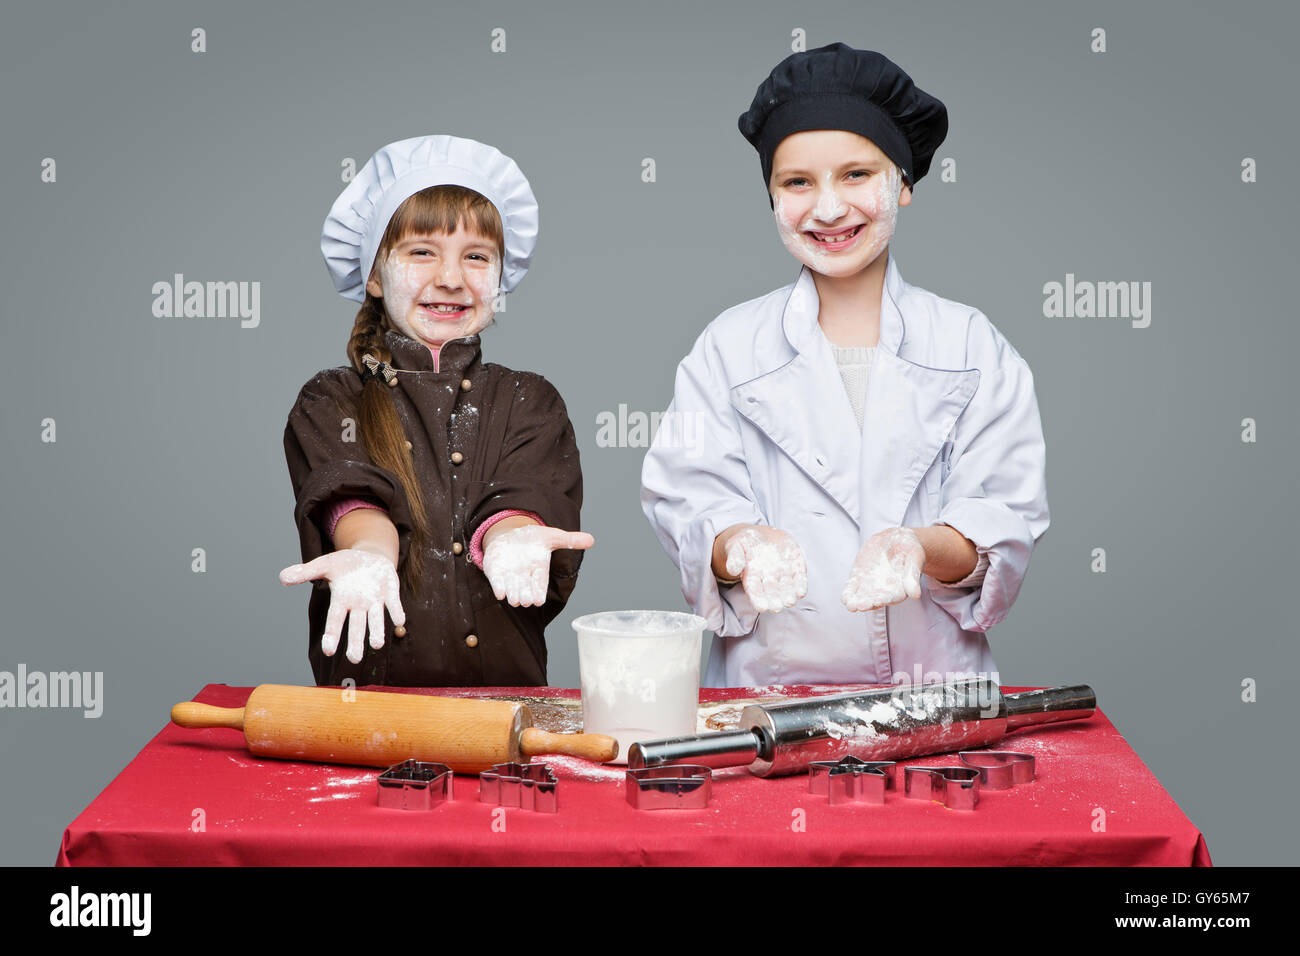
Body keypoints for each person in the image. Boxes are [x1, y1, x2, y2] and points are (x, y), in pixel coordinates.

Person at [640, 44, 1049, 687]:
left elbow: (1002, 519)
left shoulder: (971, 345)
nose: (828, 209)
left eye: (856, 175)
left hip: (935, 698)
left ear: (903, 185)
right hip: (764, 701)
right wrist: (740, 544)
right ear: (772, 196)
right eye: (797, 182)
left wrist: (918, 549)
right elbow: (687, 502)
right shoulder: (728, 347)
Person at [279, 135, 593, 687]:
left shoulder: (530, 400)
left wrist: (512, 537)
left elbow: (522, 498)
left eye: (476, 256)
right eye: (422, 251)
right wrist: (370, 557)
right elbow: (351, 497)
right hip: (366, 709)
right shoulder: (330, 400)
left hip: (504, 711)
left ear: (501, 275)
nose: (451, 278)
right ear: (374, 275)